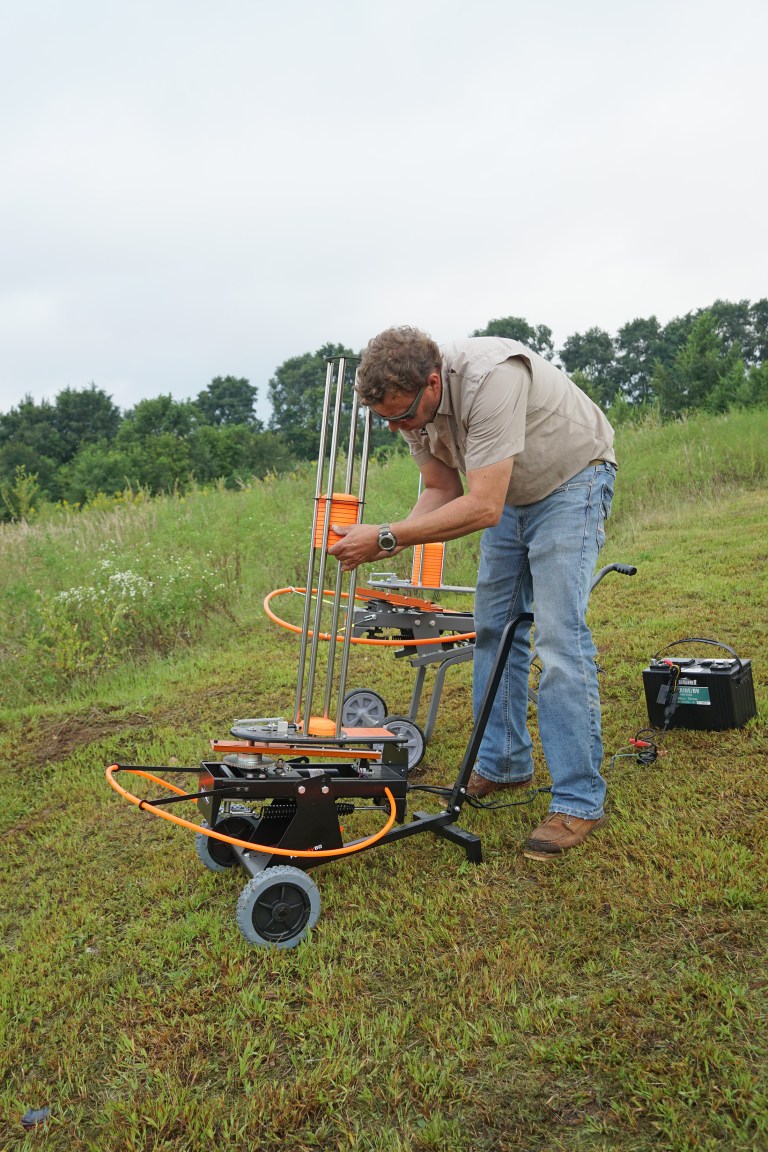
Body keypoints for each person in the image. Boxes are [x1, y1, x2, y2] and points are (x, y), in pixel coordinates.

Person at [329, 326, 617, 861]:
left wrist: (387, 535)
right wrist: (380, 543)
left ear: (433, 383)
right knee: (492, 629)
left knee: (558, 637)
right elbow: (442, 489)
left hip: (571, 478)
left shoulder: (491, 378)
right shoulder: (410, 407)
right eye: (386, 420)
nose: (397, 427)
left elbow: (481, 507)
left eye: (402, 416)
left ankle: (579, 799)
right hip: (508, 493)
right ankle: (505, 762)